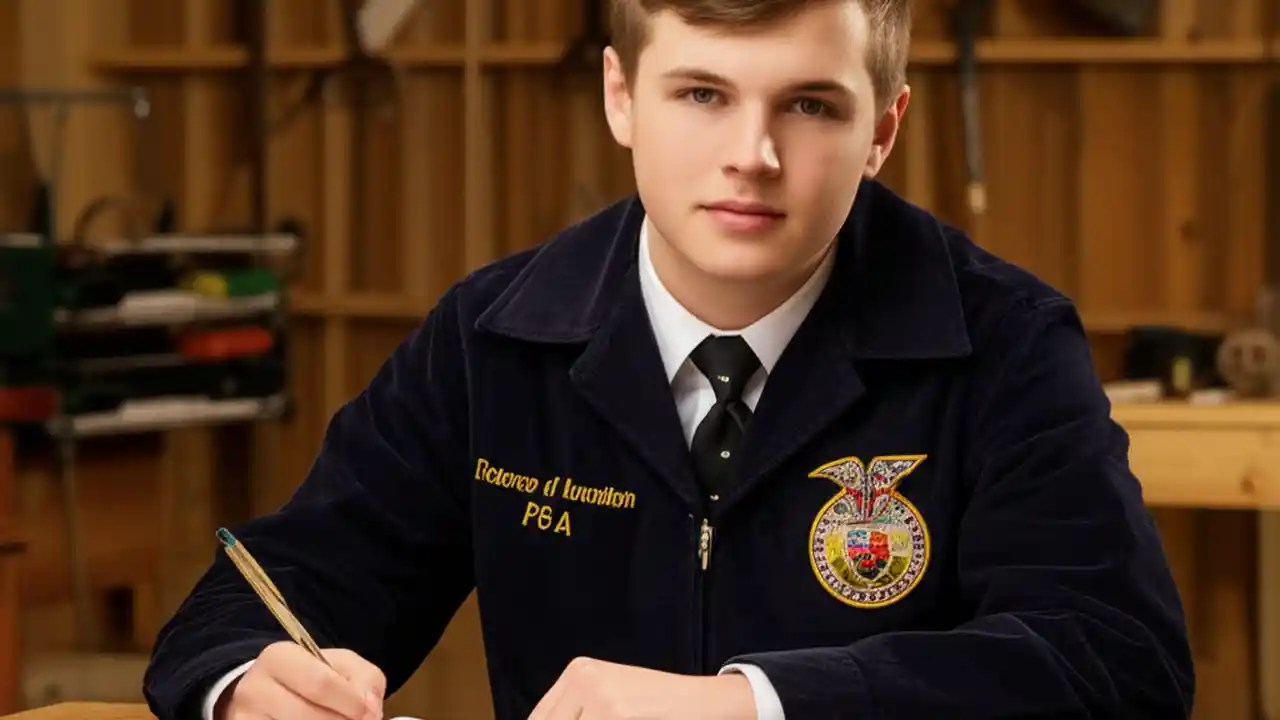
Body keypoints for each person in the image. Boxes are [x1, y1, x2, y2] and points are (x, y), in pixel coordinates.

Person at [142, 1, 1197, 718]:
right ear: (619, 98)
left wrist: (747, 706)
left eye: (809, 104)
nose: (752, 153)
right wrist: (244, 681)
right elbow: (259, 590)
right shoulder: (492, 337)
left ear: (882, 128)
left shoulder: (1006, 344)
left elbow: (1115, 660)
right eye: (701, 93)